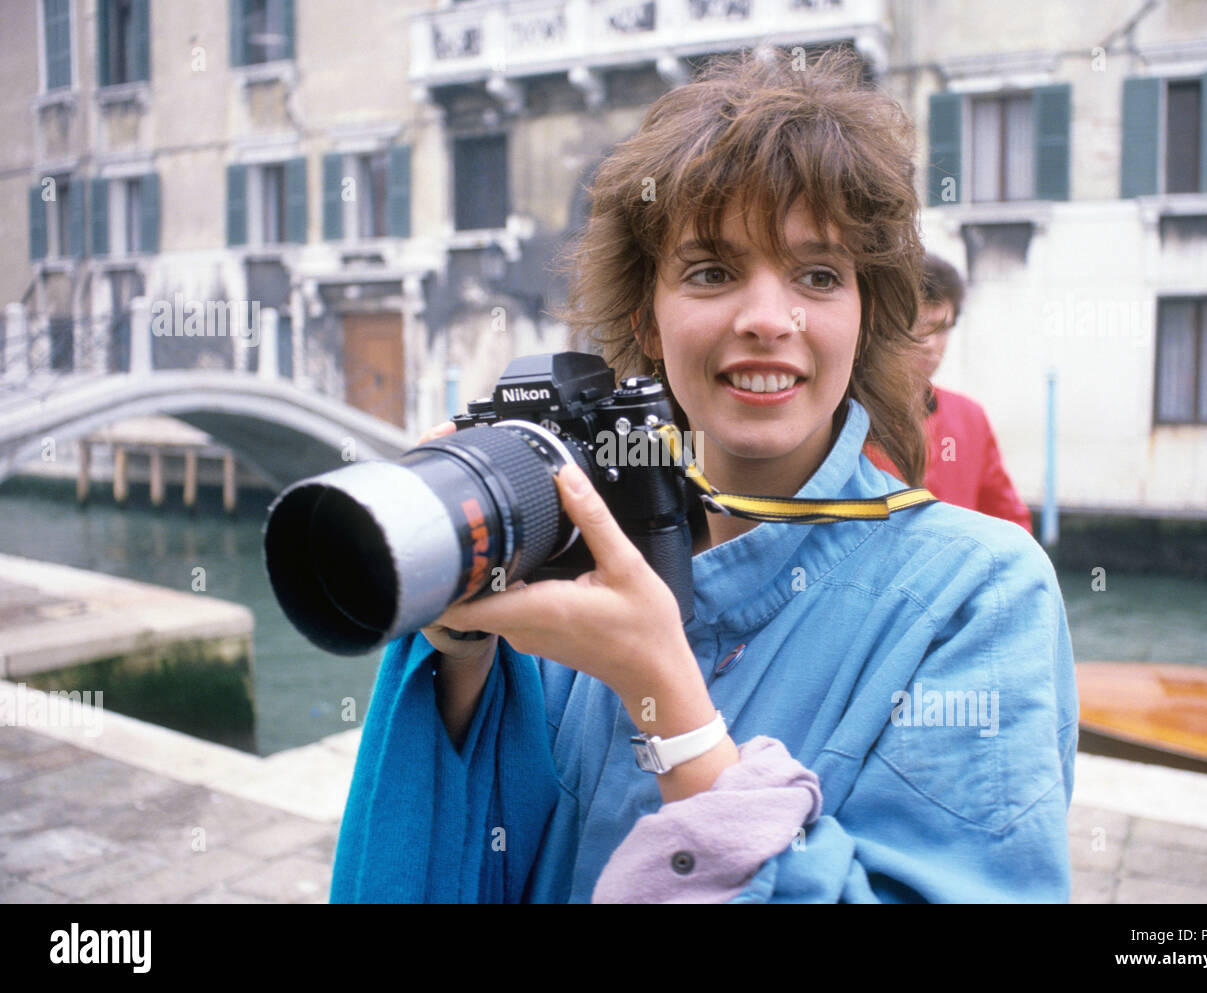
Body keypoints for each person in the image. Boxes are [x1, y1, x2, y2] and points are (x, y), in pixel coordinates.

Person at [330, 48, 1077, 904]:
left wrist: (665, 697)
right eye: (713, 271)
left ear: (864, 314)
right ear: (648, 316)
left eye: (820, 275)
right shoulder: (571, 556)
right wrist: (462, 652)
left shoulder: (979, 594)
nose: (767, 319)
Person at [868, 254, 1034, 534]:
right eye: (918, 327)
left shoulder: (970, 417)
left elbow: (1009, 524)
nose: (929, 344)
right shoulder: (848, 417)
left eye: (942, 328)